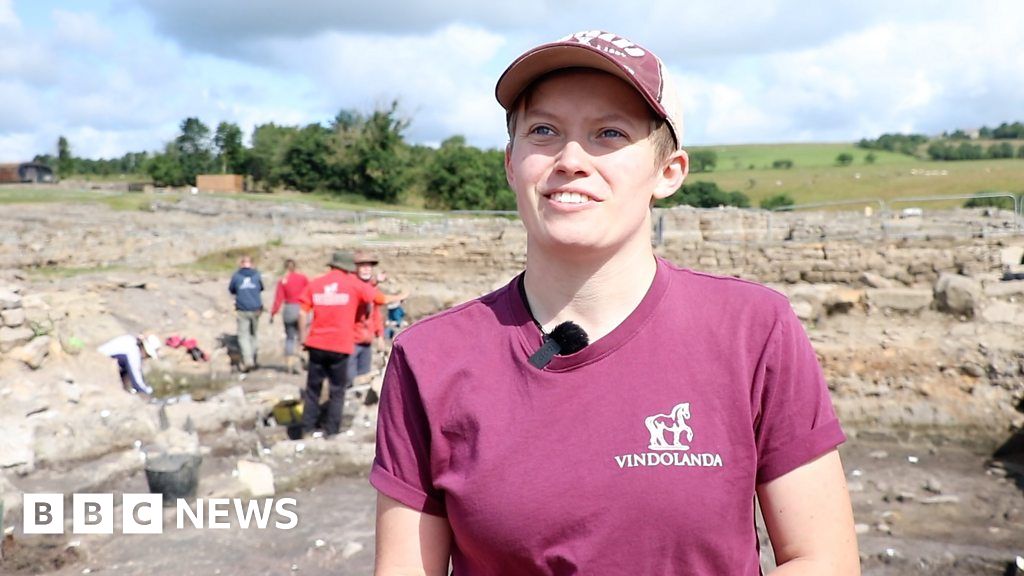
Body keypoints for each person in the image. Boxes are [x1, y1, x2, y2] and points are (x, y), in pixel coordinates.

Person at [371, 31, 859, 575]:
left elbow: (823, 559)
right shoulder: (429, 357)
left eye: (609, 132)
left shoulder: (754, 330)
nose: (571, 159)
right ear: (512, 164)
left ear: (668, 172)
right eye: (544, 131)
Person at [298, 251, 405, 437]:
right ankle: (331, 432)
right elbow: (377, 299)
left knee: (313, 389)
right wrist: (400, 296)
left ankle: (307, 429)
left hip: (316, 343)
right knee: (337, 391)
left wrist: (302, 338)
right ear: (348, 268)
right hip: (340, 345)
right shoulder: (353, 285)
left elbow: (302, 312)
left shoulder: (316, 284)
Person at [348, 252, 386, 385]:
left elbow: (375, 313)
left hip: (366, 341)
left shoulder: (370, 287)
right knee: (349, 381)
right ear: (356, 268)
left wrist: (380, 336)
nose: (366, 269)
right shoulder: (351, 285)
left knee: (364, 380)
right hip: (351, 340)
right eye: (362, 266)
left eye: (369, 266)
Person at [270, 258, 309, 374]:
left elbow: (278, 299)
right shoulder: (303, 278)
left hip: (288, 309)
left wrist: (273, 313)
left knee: (290, 337)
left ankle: (289, 363)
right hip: (301, 308)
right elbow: (309, 291)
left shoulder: (283, 280)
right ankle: (302, 360)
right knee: (302, 335)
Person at [228, 255, 263, 372]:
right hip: (256, 308)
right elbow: (261, 288)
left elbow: (232, 289)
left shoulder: (237, 276)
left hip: (242, 309)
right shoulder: (257, 275)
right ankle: (252, 357)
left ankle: (248, 360)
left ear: (242, 264)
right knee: (253, 334)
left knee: (243, 335)